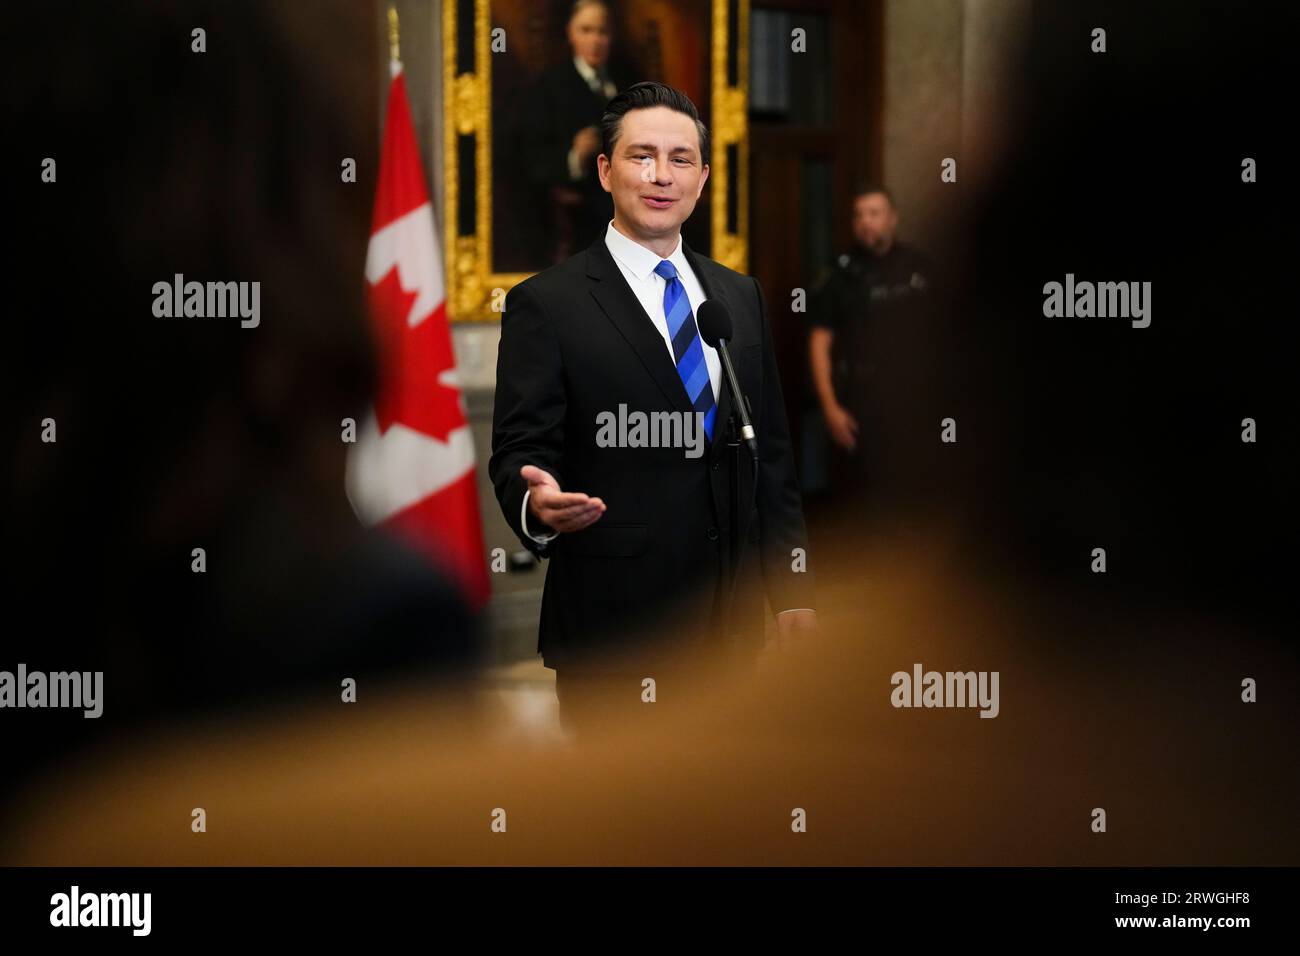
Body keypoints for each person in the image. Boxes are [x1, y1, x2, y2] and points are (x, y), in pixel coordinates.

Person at [490, 81, 816, 735]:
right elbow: (520, 451)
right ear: (607, 171)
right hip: (616, 633)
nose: (662, 175)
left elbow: (771, 455)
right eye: (642, 157)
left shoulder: (738, 295)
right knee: (615, 832)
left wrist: (791, 592)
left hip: (731, 632)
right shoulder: (547, 303)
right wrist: (538, 507)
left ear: (702, 176)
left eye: (680, 158)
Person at [808, 186, 932, 508]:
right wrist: (830, 408)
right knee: (860, 504)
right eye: (858, 215)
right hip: (859, 401)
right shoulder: (839, 274)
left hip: (913, 401)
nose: (866, 222)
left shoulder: (918, 267)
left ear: (892, 219)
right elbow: (820, 342)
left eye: (874, 213)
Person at [521, 0, 627, 264]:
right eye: (586, 30)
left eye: (602, 32)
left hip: (626, 201)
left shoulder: (626, 81)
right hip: (582, 212)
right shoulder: (550, 87)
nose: (595, 40)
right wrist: (575, 156)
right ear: (571, 33)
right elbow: (533, 162)